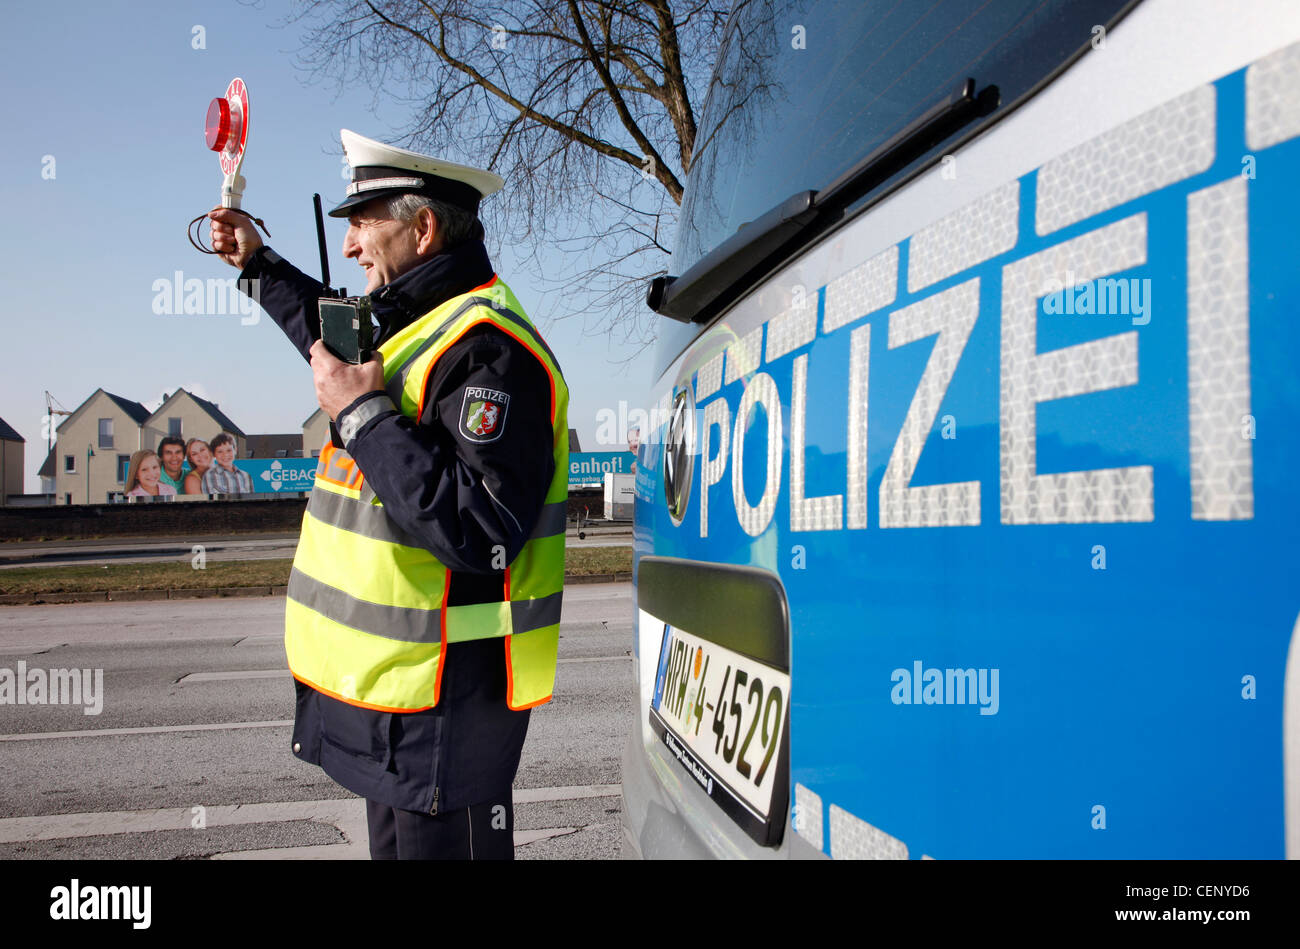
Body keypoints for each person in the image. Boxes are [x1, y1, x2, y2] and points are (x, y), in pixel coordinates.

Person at [207, 129, 569, 860]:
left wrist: (362, 415)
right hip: (401, 701)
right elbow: (323, 328)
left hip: (448, 712)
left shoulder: (489, 348)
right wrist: (257, 263)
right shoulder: (413, 325)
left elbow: (483, 528)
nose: (347, 248)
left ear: (423, 228)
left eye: (361, 223)